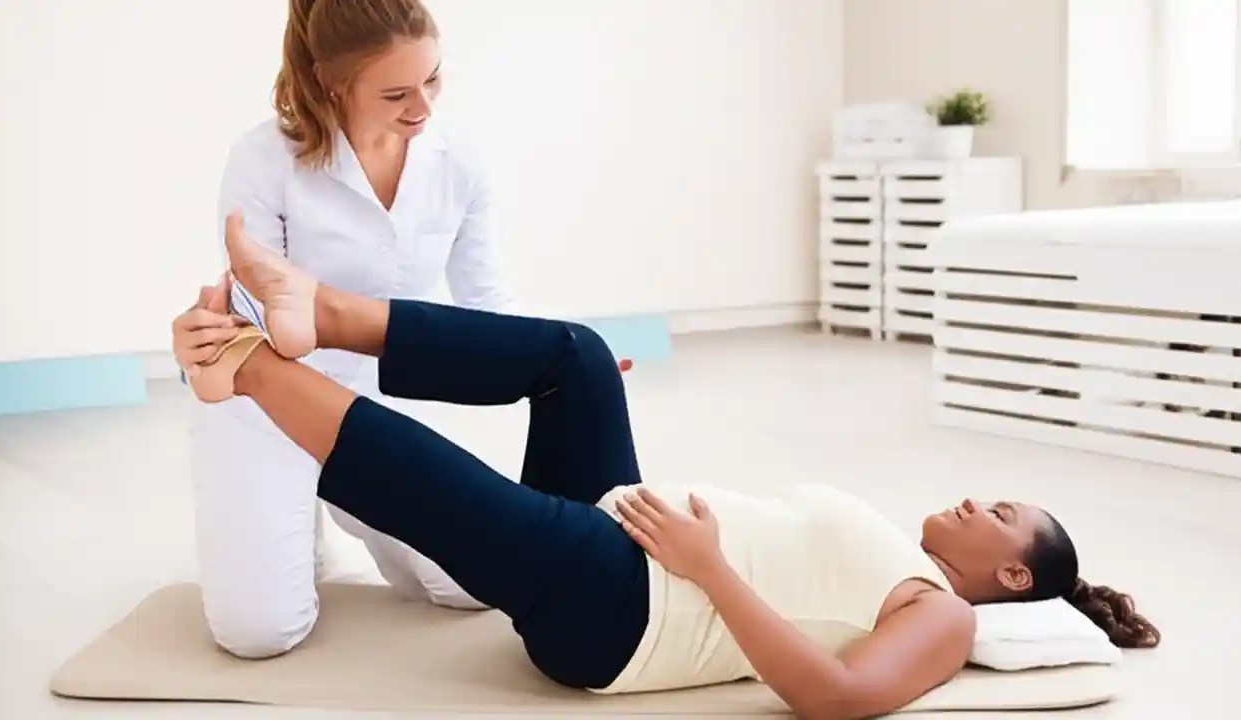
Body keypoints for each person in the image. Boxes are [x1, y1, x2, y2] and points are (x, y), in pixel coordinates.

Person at [176, 215, 1161, 719]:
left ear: (1013, 576)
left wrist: (707, 568)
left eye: (995, 512)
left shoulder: (942, 614)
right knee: (577, 359)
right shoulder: (894, 565)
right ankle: (324, 311)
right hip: (625, 539)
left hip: (625, 615)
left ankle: (246, 364)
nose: (967, 500)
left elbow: (835, 699)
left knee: (448, 492)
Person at [172, 0, 537, 659]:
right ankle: (292, 505)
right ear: (330, 79)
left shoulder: (458, 162)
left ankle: (346, 495)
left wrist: (559, 359)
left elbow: (485, 299)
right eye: (396, 92)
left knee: (476, 585)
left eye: (432, 80)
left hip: (387, 398)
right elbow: (249, 329)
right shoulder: (264, 159)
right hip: (271, 399)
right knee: (259, 634)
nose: (422, 108)